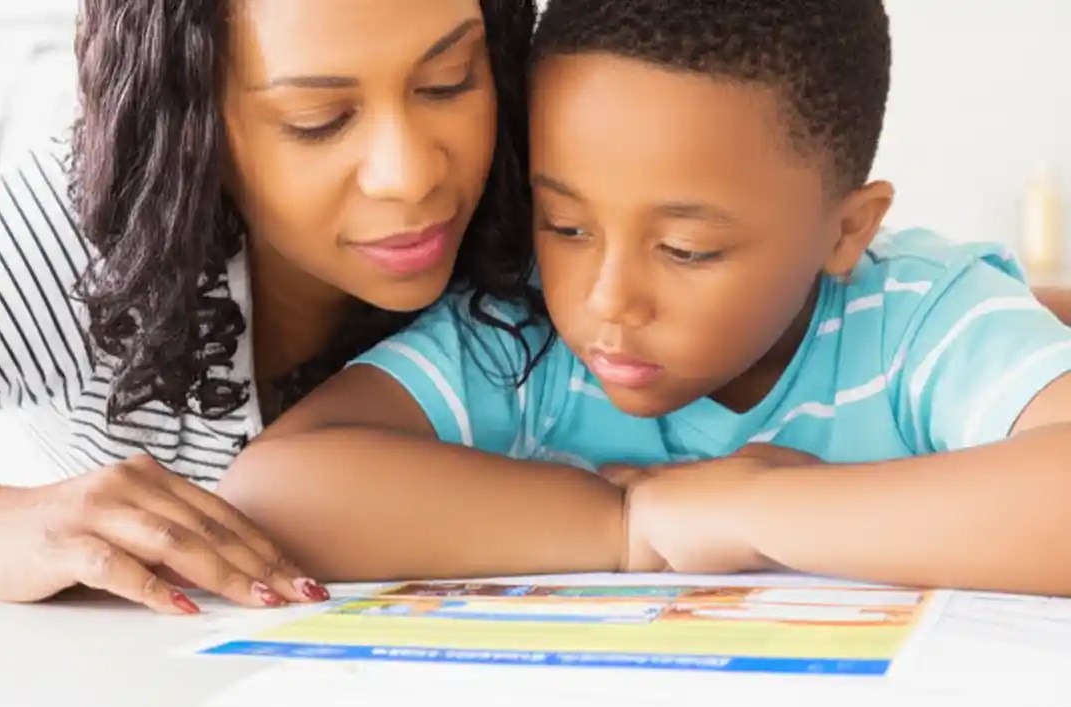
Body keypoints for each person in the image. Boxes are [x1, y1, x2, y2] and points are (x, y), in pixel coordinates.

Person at [223, 0, 1071, 597]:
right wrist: (632, 524)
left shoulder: (925, 319)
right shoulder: (521, 338)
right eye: (565, 226)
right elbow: (276, 492)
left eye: (685, 249)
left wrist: (751, 508)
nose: (607, 299)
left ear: (846, 231)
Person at [0, 0, 537, 613]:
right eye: (317, 119)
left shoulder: (565, 168)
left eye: (447, 83)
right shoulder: (85, 234)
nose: (409, 177)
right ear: (191, 123)